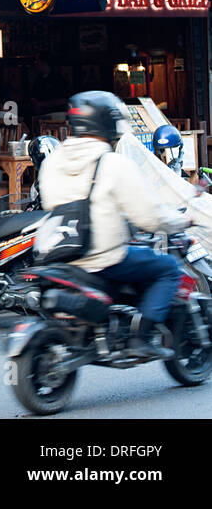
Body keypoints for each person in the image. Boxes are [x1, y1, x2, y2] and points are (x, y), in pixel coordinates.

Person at [37, 90, 195, 361]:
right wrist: (181, 220)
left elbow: (50, 202)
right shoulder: (114, 163)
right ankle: (141, 337)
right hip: (104, 258)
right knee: (167, 269)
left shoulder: (52, 162)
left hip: (61, 256)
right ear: (106, 124)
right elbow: (148, 217)